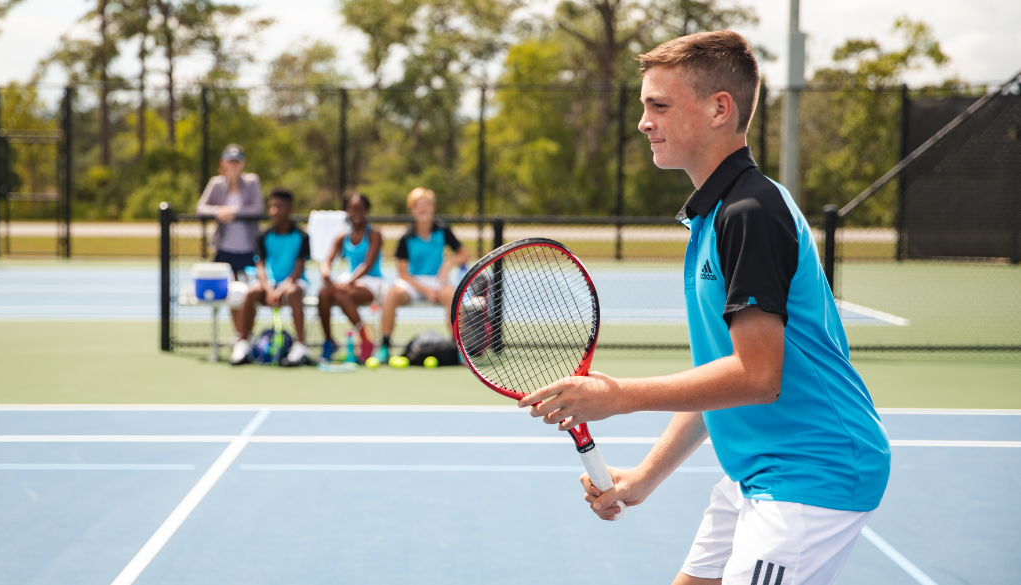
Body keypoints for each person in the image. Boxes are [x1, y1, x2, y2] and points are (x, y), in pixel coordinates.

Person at [516, 31, 891, 585]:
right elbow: (723, 377)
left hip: (812, 473)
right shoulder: (715, 216)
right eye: (645, 106)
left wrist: (617, 397)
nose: (644, 122)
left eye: (659, 106)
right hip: (758, 470)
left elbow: (757, 376)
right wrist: (645, 475)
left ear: (721, 109)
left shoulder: (749, 212)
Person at [375, 187, 468, 363]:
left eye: (427, 204)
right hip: (413, 282)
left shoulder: (443, 230)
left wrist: (448, 264)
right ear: (412, 209)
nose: (423, 209)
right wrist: (425, 290)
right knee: (392, 294)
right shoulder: (405, 238)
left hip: (437, 281)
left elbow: (464, 254)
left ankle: (459, 350)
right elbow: (402, 273)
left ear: (433, 207)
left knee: (452, 295)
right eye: (418, 205)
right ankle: (385, 347)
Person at [231, 188, 312, 366]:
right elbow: (260, 267)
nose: (274, 211)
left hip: (293, 282)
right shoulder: (263, 235)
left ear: (290, 209)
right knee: (251, 292)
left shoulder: (302, 236)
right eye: (271, 207)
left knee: (293, 292)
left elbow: (298, 268)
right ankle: (243, 342)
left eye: (279, 207)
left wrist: (281, 289)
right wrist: (269, 289)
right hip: (268, 283)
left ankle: (300, 345)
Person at [195, 144, 264, 337]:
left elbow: (258, 208)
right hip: (225, 249)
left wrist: (234, 212)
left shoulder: (251, 182)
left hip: (249, 248)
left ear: (243, 163)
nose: (233, 165)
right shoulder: (216, 183)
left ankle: (248, 331)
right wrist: (219, 211)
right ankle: (238, 333)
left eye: (237, 161)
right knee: (232, 294)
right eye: (230, 161)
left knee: (251, 293)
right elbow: (201, 208)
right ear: (223, 162)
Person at [317, 193, 382, 362]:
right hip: (350, 280)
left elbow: (367, 265)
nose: (356, 212)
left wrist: (350, 282)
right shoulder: (342, 236)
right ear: (347, 210)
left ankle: (366, 339)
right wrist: (325, 271)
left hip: (371, 281)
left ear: (366, 211)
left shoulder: (374, 234)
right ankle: (329, 341)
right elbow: (327, 261)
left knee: (341, 294)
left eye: (360, 208)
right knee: (323, 293)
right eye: (352, 208)